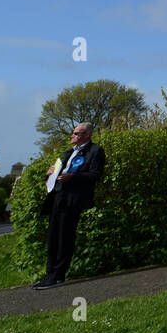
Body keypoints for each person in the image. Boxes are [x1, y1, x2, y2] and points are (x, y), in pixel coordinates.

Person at [34, 122, 105, 289]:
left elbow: (95, 174)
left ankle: (58, 274)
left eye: (76, 133)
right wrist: (51, 173)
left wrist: (72, 177)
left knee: (65, 237)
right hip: (58, 197)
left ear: (87, 135)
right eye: (73, 133)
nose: (72, 136)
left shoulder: (95, 151)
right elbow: (60, 174)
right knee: (53, 236)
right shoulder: (69, 153)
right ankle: (49, 273)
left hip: (73, 199)